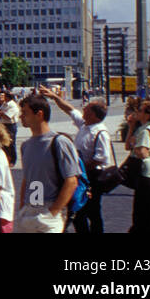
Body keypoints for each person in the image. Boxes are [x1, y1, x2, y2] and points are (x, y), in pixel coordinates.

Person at [40, 87, 113, 234]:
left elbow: (101, 158)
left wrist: (79, 169)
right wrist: (54, 96)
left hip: (92, 176)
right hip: (82, 174)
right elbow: (70, 110)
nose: (83, 110)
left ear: (94, 115)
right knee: (79, 210)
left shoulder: (101, 132)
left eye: (86, 109)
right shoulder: (85, 125)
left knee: (92, 211)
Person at [14, 95, 81, 233]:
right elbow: (28, 179)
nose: (21, 117)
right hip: (30, 208)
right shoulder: (26, 145)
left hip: (49, 209)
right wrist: (23, 208)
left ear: (39, 114)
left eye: (25, 113)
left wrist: (53, 212)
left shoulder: (59, 142)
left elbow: (72, 180)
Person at [128, 100, 150, 234]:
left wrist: (135, 146)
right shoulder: (142, 129)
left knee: (143, 212)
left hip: (147, 173)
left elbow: (142, 152)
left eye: (141, 110)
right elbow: (128, 146)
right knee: (146, 212)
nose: (137, 112)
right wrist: (131, 127)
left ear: (148, 115)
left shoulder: (146, 130)